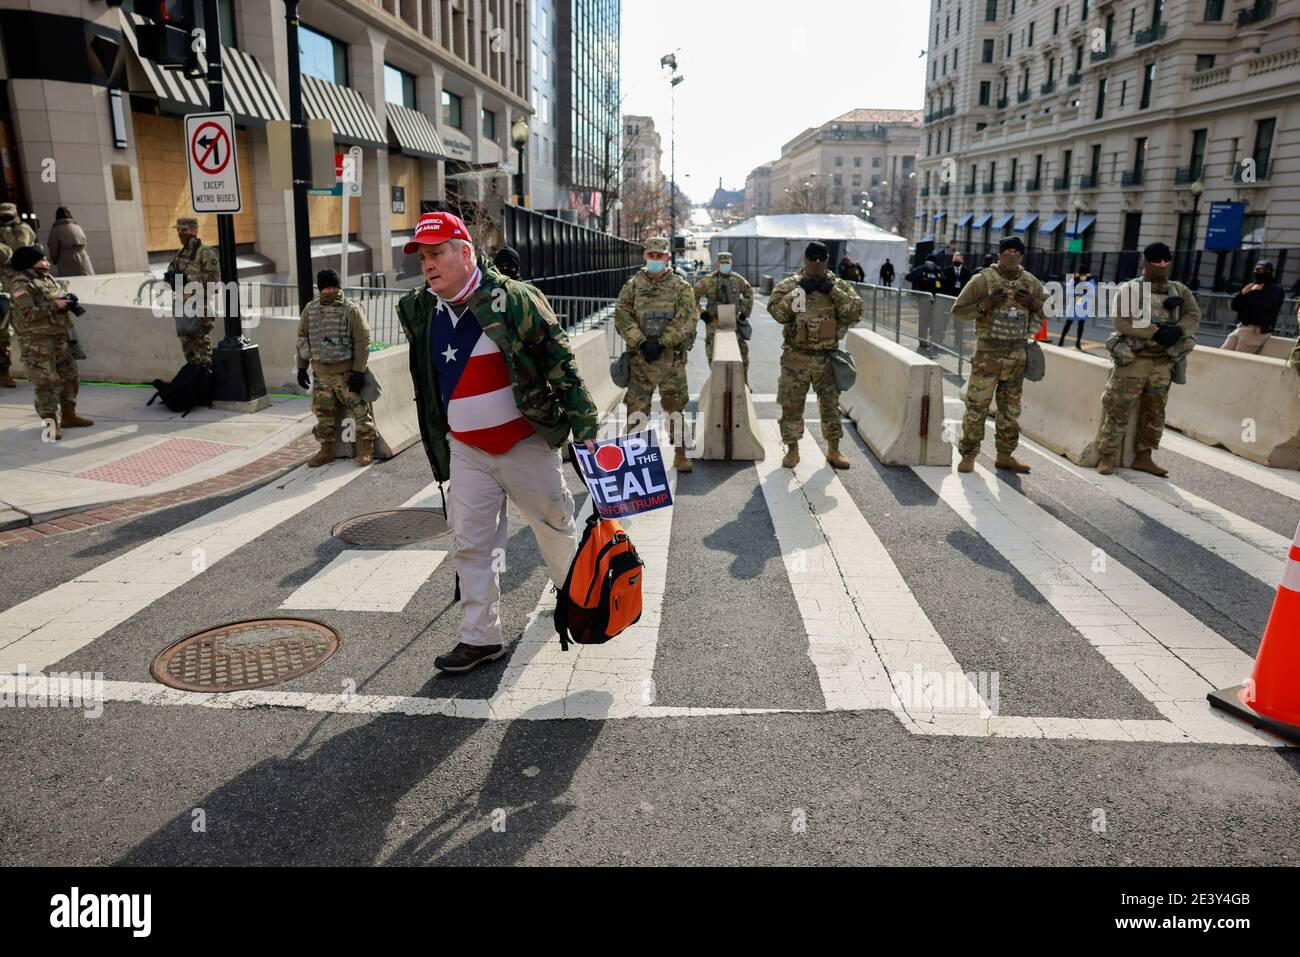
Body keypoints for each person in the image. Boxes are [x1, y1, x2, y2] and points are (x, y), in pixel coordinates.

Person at [395, 211, 599, 674]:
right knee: (472, 544)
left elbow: (560, 361)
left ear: (466, 252)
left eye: (438, 253)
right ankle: (480, 639)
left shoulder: (514, 299)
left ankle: (580, 610)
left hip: (524, 442)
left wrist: (584, 433)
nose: (428, 264)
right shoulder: (421, 310)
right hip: (466, 448)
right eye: (423, 257)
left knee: (554, 529)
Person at [1096, 241, 1199, 477]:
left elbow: (1193, 315)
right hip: (1134, 360)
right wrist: (1155, 332)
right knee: (1118, 408)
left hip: (1162, 363)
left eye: (1166, 260)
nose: (1162, 265)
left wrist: (1178, 330)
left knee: (1155, 412)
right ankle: (1108, 456)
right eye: (1156, 261)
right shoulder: (1130, 289)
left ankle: (1145, 457)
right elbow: (1121, 322)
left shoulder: (1179, 290)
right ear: (1146, 262)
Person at [950, 236, 1047, 474]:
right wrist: (985, 305)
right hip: (988, 355)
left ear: (1022, 255)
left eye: (1017, 251)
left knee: (1010, 410)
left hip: (1017, 355)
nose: (1012, 255)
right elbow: (959, 311)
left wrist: (1036, 303)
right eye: (1008, 251)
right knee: (977, 406)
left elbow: (1053, 309)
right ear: (999, 254)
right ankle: (968, 455)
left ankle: (1005, 455)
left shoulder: (1031, 282)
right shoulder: (982, 280)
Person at [768, 240, 863, 471]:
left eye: (822, 259)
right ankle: (792, 450)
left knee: (830, 406)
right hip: (796, 357)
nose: (818, 263)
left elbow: (854, 313)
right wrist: (799, 293)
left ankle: (834, 450)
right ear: (806, 259)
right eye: (813, 258)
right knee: (791, 405)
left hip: (827, 358)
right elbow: (778, 313)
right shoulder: (791, 285)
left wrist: (833, 291)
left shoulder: (838, 286)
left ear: (827, 260)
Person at [614, 235, 698, 472]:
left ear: (667, 257)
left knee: (676, 409)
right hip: (641, 362)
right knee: (637, 411)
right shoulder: (632, 286)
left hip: (671, 360)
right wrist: (640, 342)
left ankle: (680, 454)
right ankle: (634, 458)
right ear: (645, 256)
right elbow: (622, 315)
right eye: (651, 255)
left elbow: (687, 317)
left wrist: (663, 342)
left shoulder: (681, 287)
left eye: (659, 256)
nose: (655, 259)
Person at [8, 244, 92, 439]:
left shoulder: (46, 278)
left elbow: (50, 302)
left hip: (59, 337)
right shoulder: (21, 284)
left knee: (70, 376)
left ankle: (69, 416)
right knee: (46, 383)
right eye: (41, 259)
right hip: (37, 342)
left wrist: (64, 303)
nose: (46, 261)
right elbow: (28, 314)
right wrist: (55, 305)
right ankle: (49, 425)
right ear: (30, 262)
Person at [297, 268, 375, 468]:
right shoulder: (310, 310)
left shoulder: (351, 310)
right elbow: (303, 338)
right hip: (321, 375)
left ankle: (366, 449)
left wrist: (358, 371)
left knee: (359, 411)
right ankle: (326, 450)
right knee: (323, 414)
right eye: (325, 287)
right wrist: (301, 367)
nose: (330, 291)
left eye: (333, 286)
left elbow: (362, 341)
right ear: (320, 288)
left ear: (338, 286)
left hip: (346, 374)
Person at [166, 216, 220, 369]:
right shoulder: (180, 254)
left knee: (202, 349)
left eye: (184, 230)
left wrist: (193, 290)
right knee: (188, 349)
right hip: (183, 306)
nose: (180, 234)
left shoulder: (206, 253)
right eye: (178, 230)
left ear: (194, 230)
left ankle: (208, 381)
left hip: (199, 307)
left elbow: (214, 284)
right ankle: (195, 382)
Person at [694, 250, 753, 381]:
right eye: (722, 263)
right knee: (713, 354)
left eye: (728, 263)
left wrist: (744, 313)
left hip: (733, 321)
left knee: (741, 352)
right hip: (714, 322)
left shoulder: (737, 280)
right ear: (718, 264)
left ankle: (743, 383)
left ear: (731, 263)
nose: (725, 266)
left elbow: (749, 293)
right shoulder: (708, 281)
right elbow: (693, 297)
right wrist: (702, 313)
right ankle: (717, 384)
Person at [0, 202, 37, 389]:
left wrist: (6, 232)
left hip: (18, 287)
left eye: (8, 215)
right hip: (2, 290)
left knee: (27, 331)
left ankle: (38, 371)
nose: (4, 218)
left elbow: (20, 251)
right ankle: (3, 373)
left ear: (15, 214)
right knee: (3, 333)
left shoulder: (22, 229)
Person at [1223, 261, 1284, 354]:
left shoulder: (1276, 290)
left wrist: (1256, 293)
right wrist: (1242, 294)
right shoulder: (1252, 286)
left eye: (1261, 270)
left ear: (1268, 271)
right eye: (1256, 270)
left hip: (1256, 332)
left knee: (1237, 359)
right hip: (1242, 327)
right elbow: (1235, 306)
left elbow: (1262, 308)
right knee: (1221, 353)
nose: (1257, 273)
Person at [906, 254, 944, 352]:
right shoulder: (922, 270)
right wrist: (919, 280)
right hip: (925, 298)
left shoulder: (937, 271)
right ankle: (923, 341)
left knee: (933, 321)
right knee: (925, 320)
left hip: (935, 299)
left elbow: (944, 281)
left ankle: (932, 341)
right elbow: (909, 277)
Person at [47, 207, 94, 277]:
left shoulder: (56, 229)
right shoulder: (77, 227)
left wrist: (54, 259)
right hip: (83, 257)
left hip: (66, 259)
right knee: (87, 280)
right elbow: (84, 242)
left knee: (71, 283)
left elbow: (53, 247)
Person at [1057, 271, 1094, 350]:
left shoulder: (1090, 281)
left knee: (1081, 324)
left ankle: (1078, 342)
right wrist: (1077, 292)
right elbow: (1069, 292)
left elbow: (1092, 293)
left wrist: (1085, 293)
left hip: (1083, 305)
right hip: (1074, 304)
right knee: (1068, 323)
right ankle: (1061, 339)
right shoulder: (1074, 280)